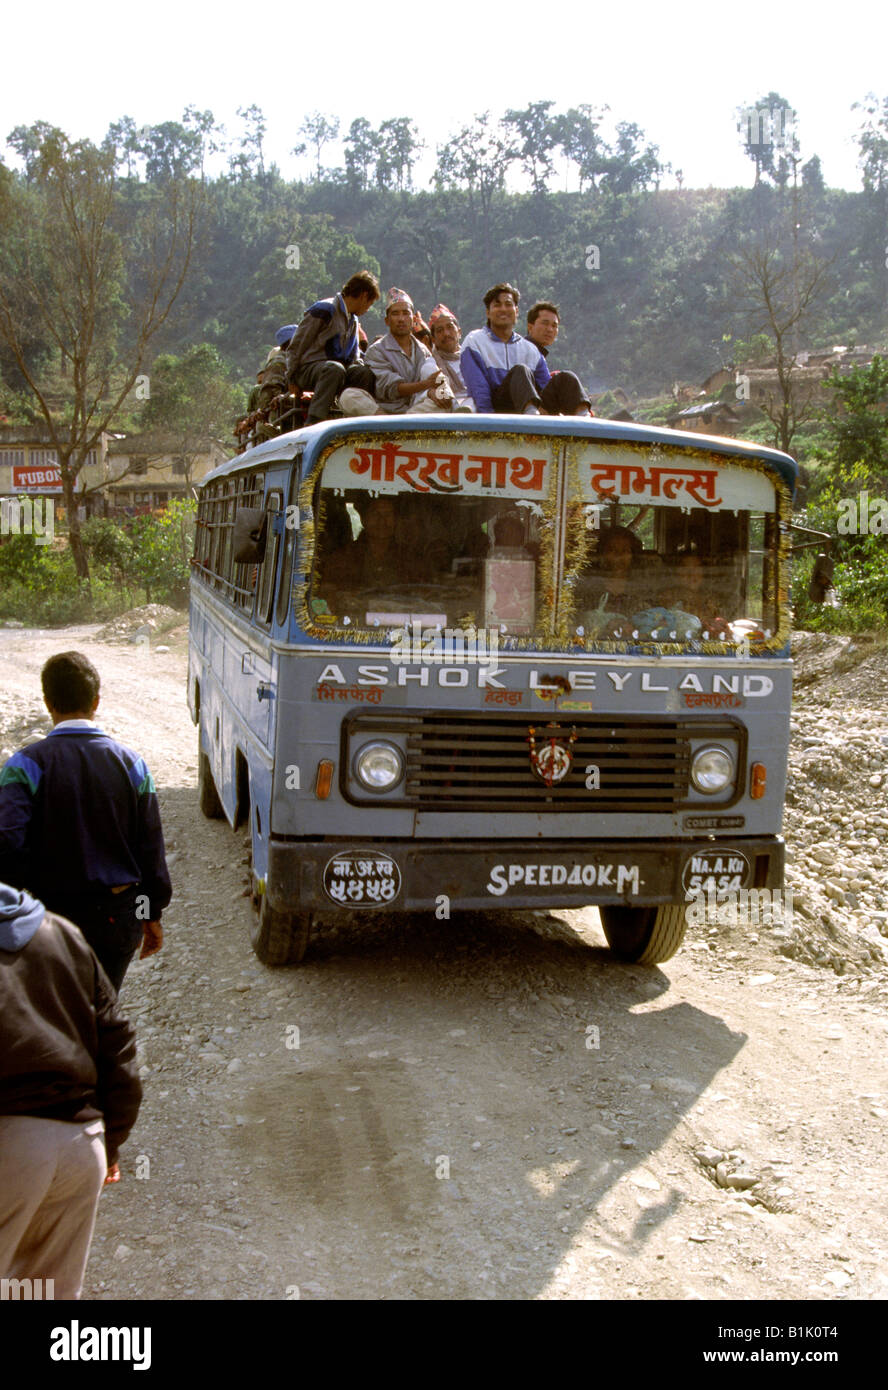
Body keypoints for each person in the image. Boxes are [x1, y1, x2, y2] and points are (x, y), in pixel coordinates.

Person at [0, 881, 142, 1300]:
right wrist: (110, 1144)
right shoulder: (62, 933)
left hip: (9, 1148)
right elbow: (119, 1049)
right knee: (43, 1295)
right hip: (80, 1149)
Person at [0, 651, 170, 992]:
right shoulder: (132, 765)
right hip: (118, 918)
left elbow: (7, 844)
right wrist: (147, 916)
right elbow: (149, 853)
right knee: (102, 1010)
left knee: (57, 1016)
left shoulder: (24, 766)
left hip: (45, 917)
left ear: (48, 703)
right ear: (96, 700)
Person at [285, 270, 380, 425]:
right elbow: (297, 345)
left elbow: (355, 356)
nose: (368, 308)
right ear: (363, 296)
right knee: (334, 369)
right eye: (370, 303)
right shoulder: (324, 309)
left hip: (336, 371)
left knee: (363, 373)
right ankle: (314, 422)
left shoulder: (353, 321)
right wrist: (291, 377)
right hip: (309, 369)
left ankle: (357, 420)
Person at [364, 288, 453, 414]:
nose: (401, 319)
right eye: (395, 314)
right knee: (349, 396)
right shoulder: (376, 351)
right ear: (387, 321)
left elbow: (432, 382)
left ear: (414, 319)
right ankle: (400, 425)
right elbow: (392, 388)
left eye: (406, 313)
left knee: (442, 399)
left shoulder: (423, 351)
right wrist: (427, 385)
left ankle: (399, 426)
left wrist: (432, 390)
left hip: (414, 409)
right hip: (384, 411)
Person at [525, 301, 593, 416]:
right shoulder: (523, 349)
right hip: (528, 407)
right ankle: (585, 420)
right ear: (530, 327)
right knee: (566, 378)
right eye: (545, 323)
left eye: (554, 326)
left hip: (540, 404)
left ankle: (584, 416)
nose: (550, 329)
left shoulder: (539, 354)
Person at [429, 304, 473, 410]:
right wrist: (430, 392)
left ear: (459, 332)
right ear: (433, 339)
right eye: (440, 330)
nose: (446, 334)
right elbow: (423, 390)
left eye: (450, 327)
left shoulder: (473, 357)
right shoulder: (431, 364)